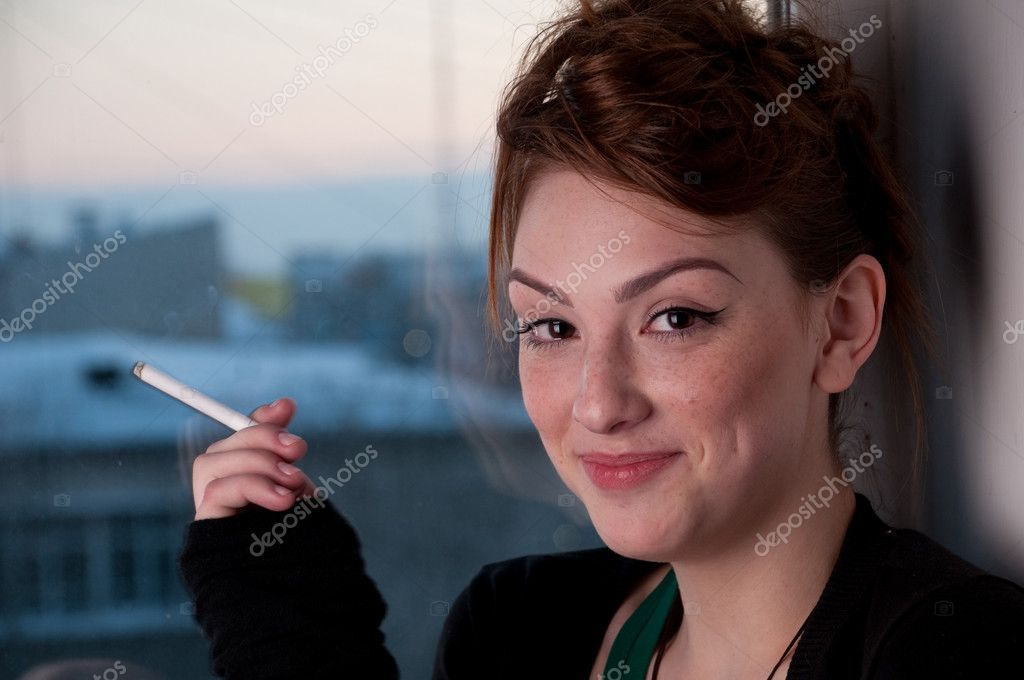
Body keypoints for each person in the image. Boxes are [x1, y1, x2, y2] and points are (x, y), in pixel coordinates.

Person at [178, 0, 1024, 678]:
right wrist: (292, 632)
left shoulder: (958, 652)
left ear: (841, 323)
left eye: (674, 318)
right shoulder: (518, 631)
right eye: (552, 326)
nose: (597, 404)